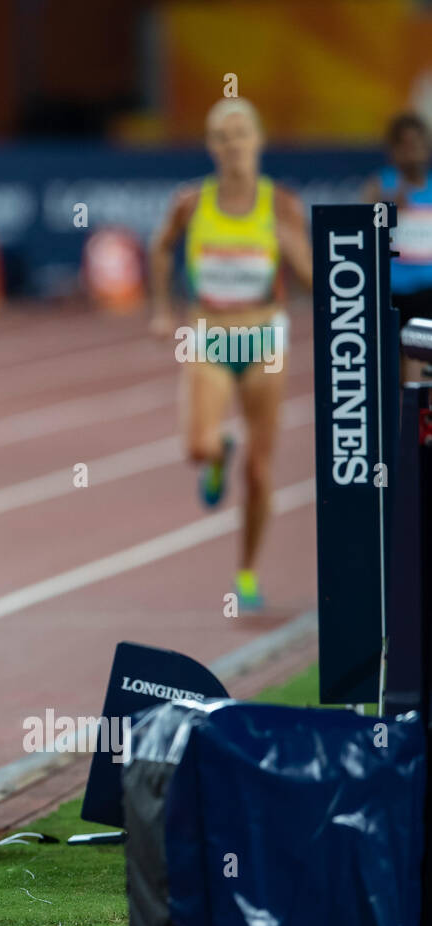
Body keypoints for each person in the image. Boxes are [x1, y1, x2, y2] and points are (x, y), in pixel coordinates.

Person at [149, 98, 311, 611]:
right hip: (210, 335)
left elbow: (309, 274)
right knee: (197, 446)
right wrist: (161, 310)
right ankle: (218, 453)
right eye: (223, 136)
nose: (233, 144)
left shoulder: (280, 203)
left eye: (242, 134)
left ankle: (246, 572)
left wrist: (298, 254)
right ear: (212, 146)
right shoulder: (191, 202)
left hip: (263, 339)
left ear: (259, 141)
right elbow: (159, 247)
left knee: (261, 472)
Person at [362, 113, 432, 381]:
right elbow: (361, 228)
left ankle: (416, 420)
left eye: (417, 143)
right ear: (393, 151)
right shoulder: (380, 186)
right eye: (405, 144)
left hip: (428, 296)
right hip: (390, 295)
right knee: (390, 377)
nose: (412, 150)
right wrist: (386, 207)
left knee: (418, 369)